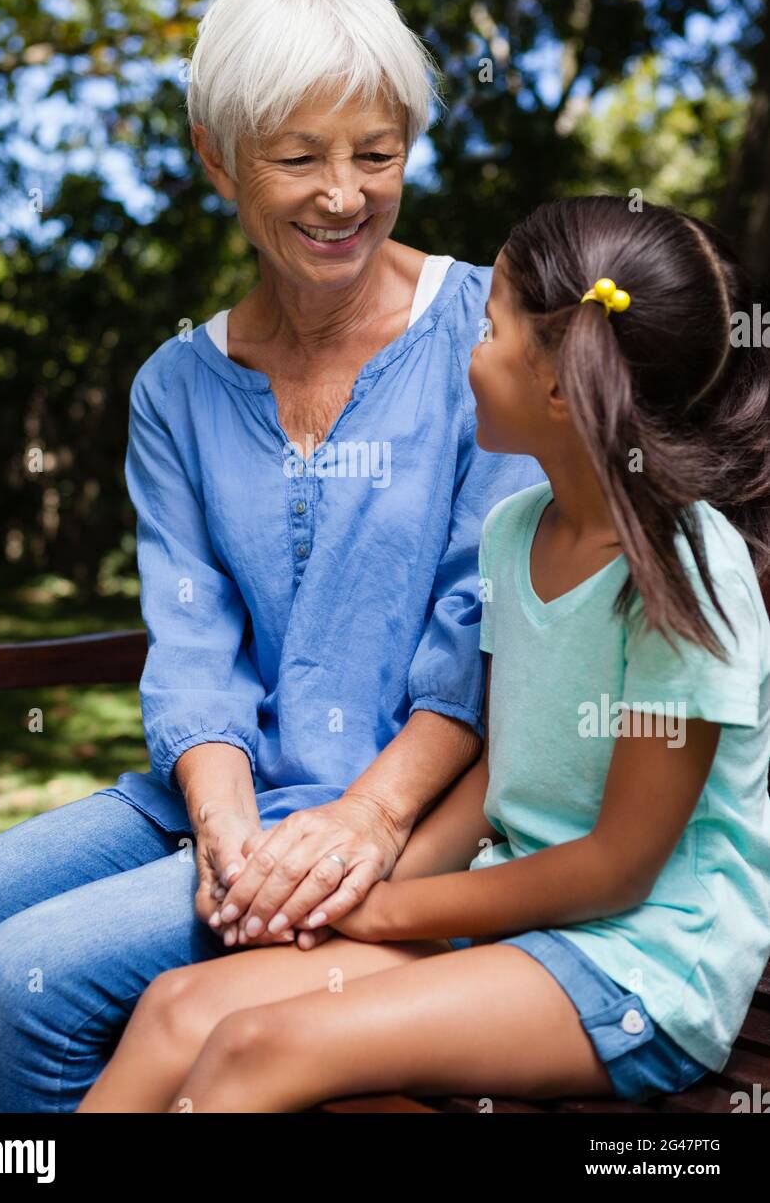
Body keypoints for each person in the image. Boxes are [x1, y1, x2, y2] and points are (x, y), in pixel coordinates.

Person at [0, 0, 545, 1111]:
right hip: (215, 797)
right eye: (297, 157)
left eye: (377, 153)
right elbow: (192, 645)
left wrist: (366, 814)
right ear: (217, 156)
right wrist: (226, 834)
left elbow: (480, 628)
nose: (342, 194)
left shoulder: (486, 334)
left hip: (406, 817)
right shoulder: (176, 387)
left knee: (17, 989)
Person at [77, 196, 770, 1113]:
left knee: (256, 1049)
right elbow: (501, 781)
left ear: (562, 383)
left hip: (642, 960)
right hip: (510, 921)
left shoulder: (684, 567)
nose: (464, 355)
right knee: (174, 1013)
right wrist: (344, 887)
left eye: (488, 332)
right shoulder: (515, 531)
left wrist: (384, 910)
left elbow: (617, 868)